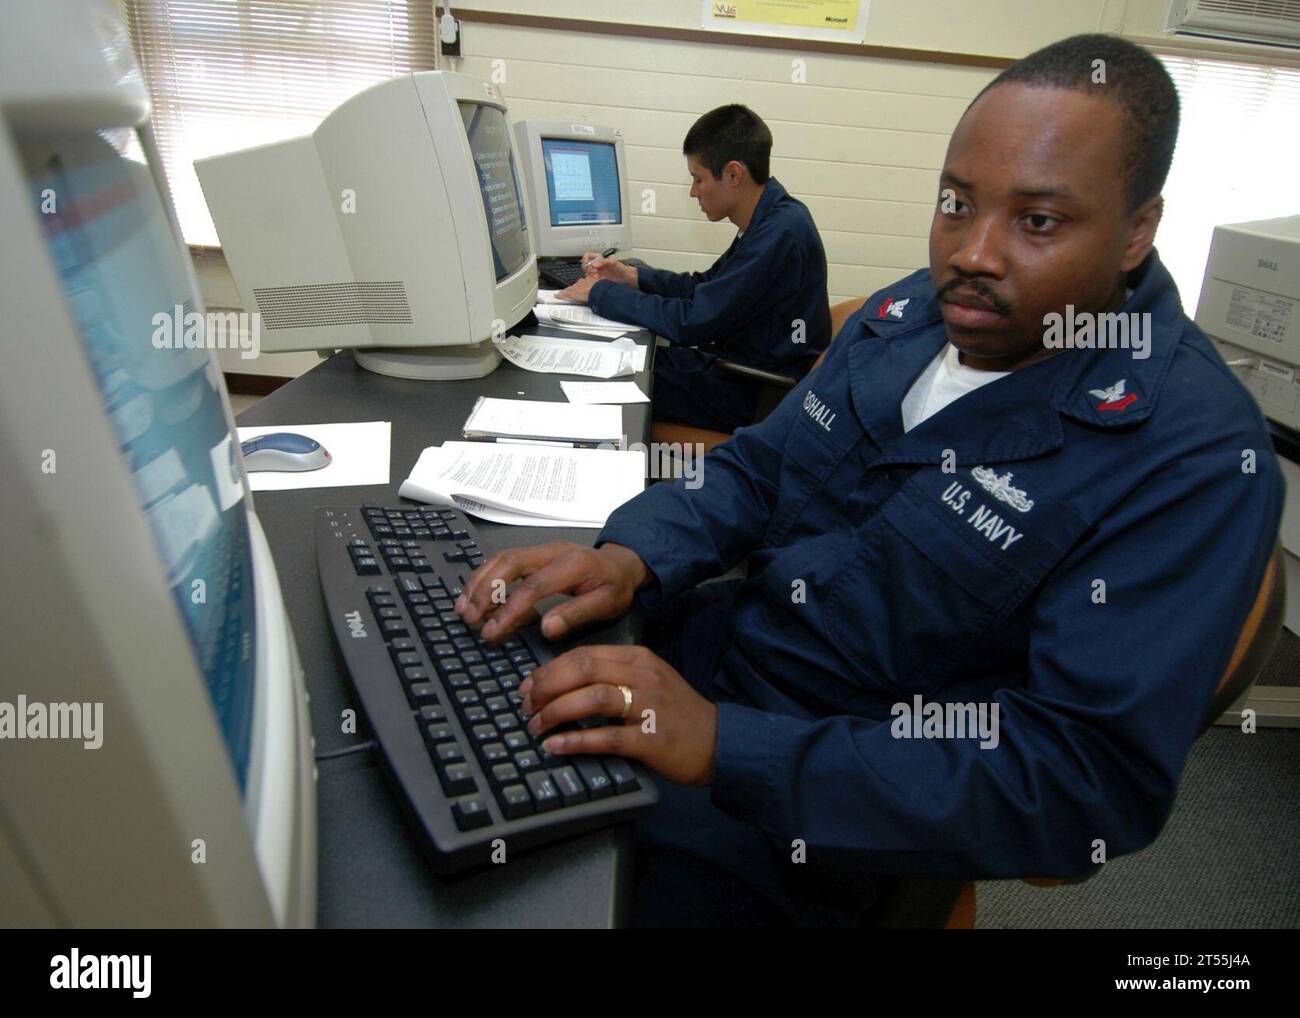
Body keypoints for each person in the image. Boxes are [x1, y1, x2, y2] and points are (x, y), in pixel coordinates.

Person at [456, 34, 1284, 927]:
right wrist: (631, 557)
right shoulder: (910, 315)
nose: (975, 253)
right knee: (452, 708)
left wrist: (728, 747)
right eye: (956, 204)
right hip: (705, 654)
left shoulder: (1190, 455)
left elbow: (1080, 781)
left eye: (1038, 222)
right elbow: (758, 467)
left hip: (822, 812)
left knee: (508, 890)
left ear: (1136, 230)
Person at [555, 104, 831, 433]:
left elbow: (692, 321)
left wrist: (601, 292)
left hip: (755, 393)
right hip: (738, 371)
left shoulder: (779, 234)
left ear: (733, 174)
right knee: (628, 359)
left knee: (616, 373)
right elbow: (705, 286)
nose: (694, 191)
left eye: (698, 179)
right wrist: (633, 277)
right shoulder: (773, 219)